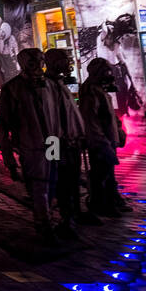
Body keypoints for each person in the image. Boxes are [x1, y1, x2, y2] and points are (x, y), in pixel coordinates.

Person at [0, 47, 67, 242]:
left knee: (52, 183)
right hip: (31, 147)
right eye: (32, 61)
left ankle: (50, 219)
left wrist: (64, 141)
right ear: (23, 64)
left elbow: (60, 116)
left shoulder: (51, 86)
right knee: (39, 187)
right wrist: (9, 159)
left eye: (40, 60)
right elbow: (2, 126)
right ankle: (45, 226)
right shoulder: (12, 89)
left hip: (52, 143)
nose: (38, 66)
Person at [44, 47, 92, 230]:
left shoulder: (60, 83)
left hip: (69, 140)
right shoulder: (47, 85)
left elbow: (70, 113)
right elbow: (51, 116)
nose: (68, 63)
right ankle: (64, 217)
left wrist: (78, 134)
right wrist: (55, 145)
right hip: (54, 141)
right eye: (64, 59)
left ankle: (75, 212)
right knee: (57, 178)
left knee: (72, 177)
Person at [80, 56, 131, 217]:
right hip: (100, 141)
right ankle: (100, 203)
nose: (109, 74)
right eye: (106, 70)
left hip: (107, 139)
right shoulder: (91, 90)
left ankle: (112, 200)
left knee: (108, 172)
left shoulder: (99, 89)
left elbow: (109, 114)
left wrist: (118, 131)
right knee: (101, 173)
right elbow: (91, 119)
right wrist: (100, 141)